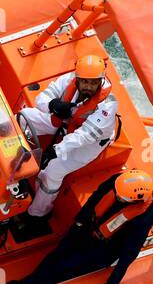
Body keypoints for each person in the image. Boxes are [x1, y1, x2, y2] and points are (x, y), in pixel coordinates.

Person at [0, 168, 153, 284]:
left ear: (136, 200)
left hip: (104, 248)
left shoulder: (143, 218)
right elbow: (96, 197)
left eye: (121, 198)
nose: (117, 196)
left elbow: (130, 253)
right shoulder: (119, 182)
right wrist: (79, 222)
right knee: (57, 255)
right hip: (87, 227)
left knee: (65, 267)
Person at [18, 53, 119, 219]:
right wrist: (52, 105)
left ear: (100, 81)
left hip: (90, 142)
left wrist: (56, 150)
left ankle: (37, 213)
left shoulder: (108, 106)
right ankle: (11, 162)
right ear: (77, 78)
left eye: (93, 83)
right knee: (24, 117)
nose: (88, 86)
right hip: (66, 123)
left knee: (53, 171)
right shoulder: (67, 80)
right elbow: (41, 98)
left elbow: (83, 136)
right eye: (85, 81)